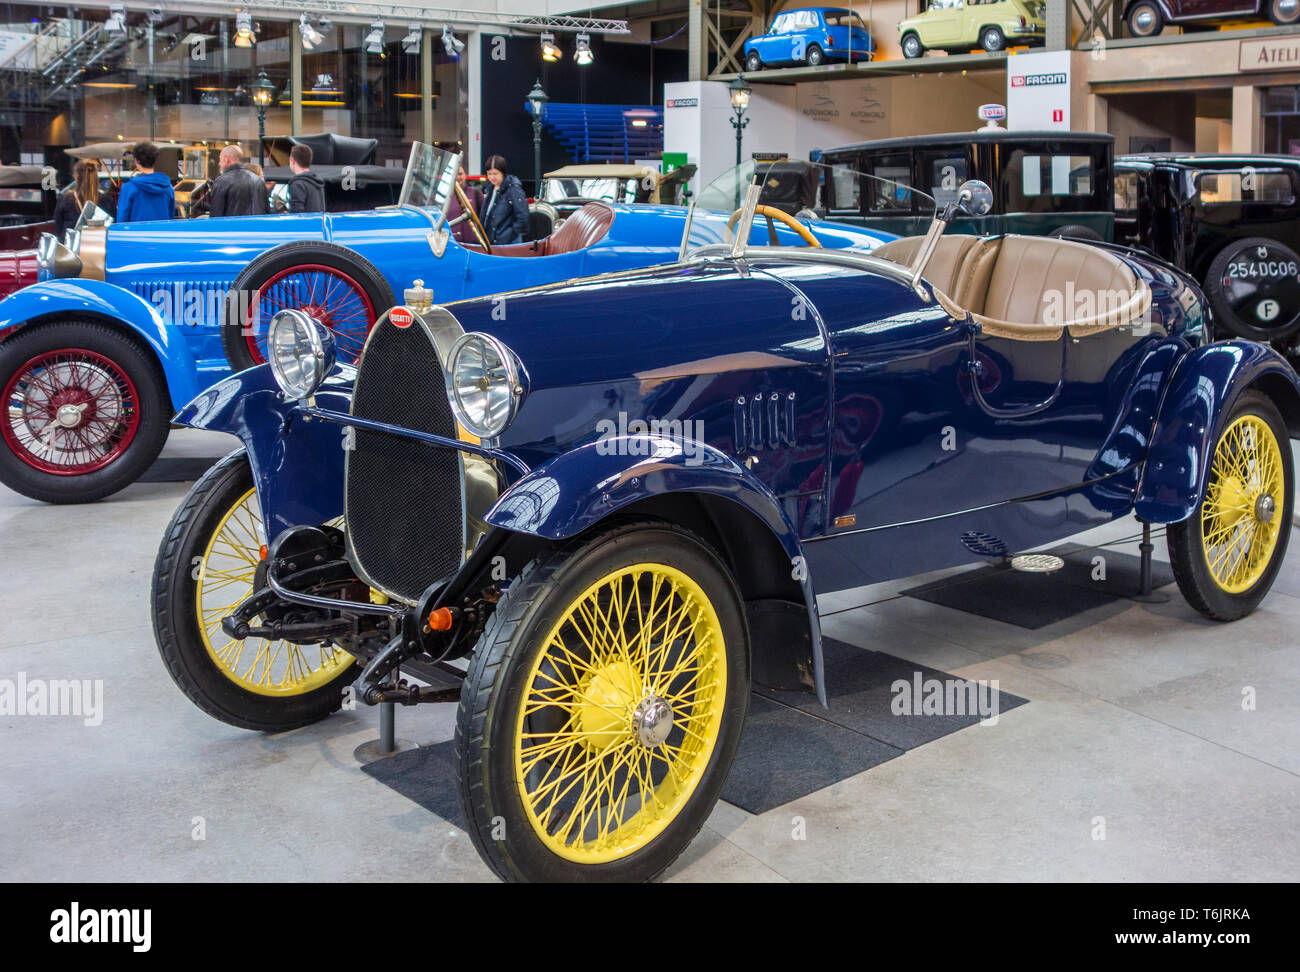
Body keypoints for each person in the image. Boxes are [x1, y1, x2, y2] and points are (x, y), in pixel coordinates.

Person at [115, 141, 176, 223]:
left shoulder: (128, 187)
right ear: (155, 161)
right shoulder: (168, 187)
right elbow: (171, 218)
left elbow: (122, 220)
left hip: (137, 234)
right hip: (161, 234)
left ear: (136, 161)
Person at [478, 155, 529, 246]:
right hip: (493, 243)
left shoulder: (513, 189)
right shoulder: (489, 190)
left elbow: (523, 217)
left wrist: (509, 235)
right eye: (489, 174)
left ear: (503, 173)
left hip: (508, 245)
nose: (492, 177)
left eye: (495, 173)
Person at [53, 160, 108, 242]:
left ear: (76, 176)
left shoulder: (65, 199)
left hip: (71, 246)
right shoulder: (107, 200)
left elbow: (58, 228)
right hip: (97, 246)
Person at [207, 144, 268, 217]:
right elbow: (266, 211)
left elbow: (216, 216)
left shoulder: (221, 181)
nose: (219, 164)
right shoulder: (258, 180)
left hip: (232, 227)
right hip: (257, 227)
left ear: (226, 160)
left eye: (220, 160)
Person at [447, 164, 485, 245]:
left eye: (460, 174)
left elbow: (485, 217)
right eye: (455, 174)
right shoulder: (445, 197)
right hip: (452, 244)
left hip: (474, 245)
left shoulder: (475, 193)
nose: (458, 177)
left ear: (465, 175)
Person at [287, 143, 326, 213]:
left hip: (305, 224)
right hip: (318, 223)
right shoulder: (318, 182)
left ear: (293, 160)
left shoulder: (297, 184)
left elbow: (297, 214)